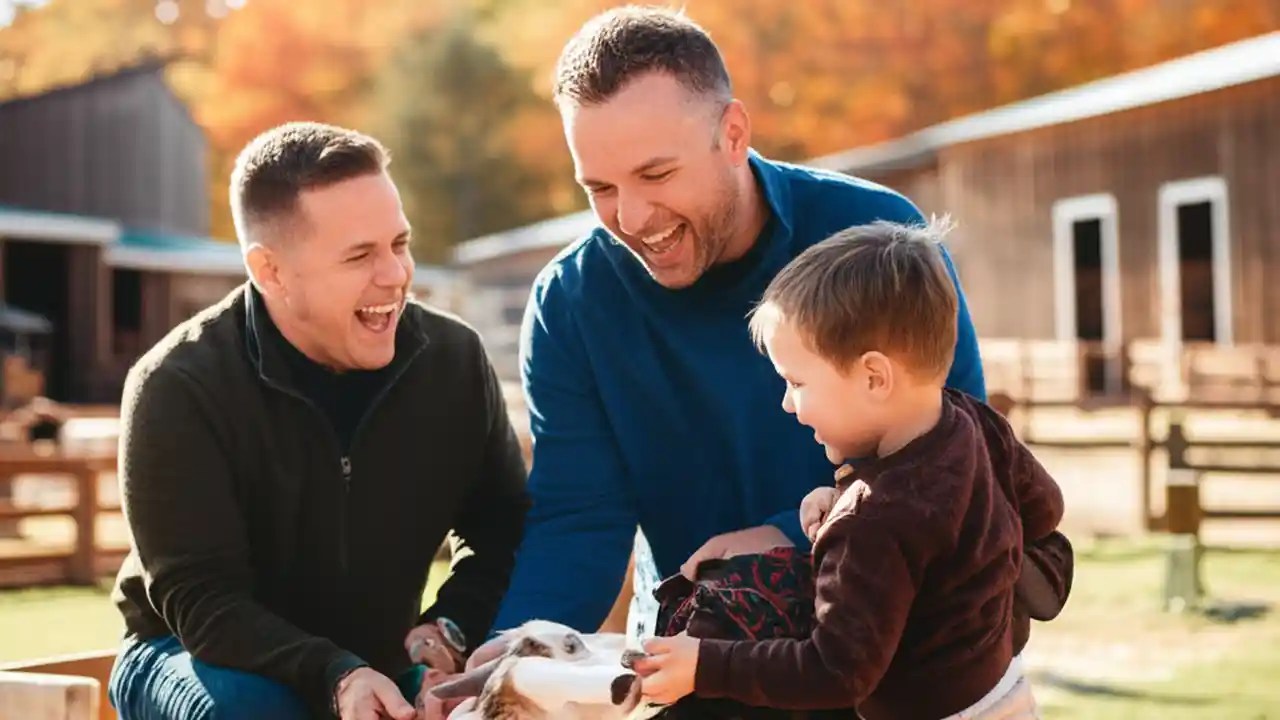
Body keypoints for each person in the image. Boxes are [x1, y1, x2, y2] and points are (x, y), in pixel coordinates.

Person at [479, 5, 988, 647]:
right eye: (599, 187)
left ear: (734, 133)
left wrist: (787, 533)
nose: (631, 216)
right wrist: (518, 649)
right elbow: (578, 519)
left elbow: (962, 455)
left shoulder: (877, 238)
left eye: (656, 174)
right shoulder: (572, 301)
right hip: (695, 662)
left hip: (888, 657)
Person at [106, 122, 530, 720]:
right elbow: (199, 599)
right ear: (270, 270)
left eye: (399, 244)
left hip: (370, 657)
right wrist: (334, 675)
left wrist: (448, 633)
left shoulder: (453, 361)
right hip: (193, 654)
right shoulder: (178, 385)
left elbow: (502, 528)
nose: (395, 275)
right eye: (360, 255)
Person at [636, 220, 1068, 719]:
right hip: (1004, 692)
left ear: (874, 377)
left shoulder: (874, 523)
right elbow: (1043, 508)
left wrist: (708, 665)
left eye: (797, 382)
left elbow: (835, 672)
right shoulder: (972, 421)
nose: (788, 404)